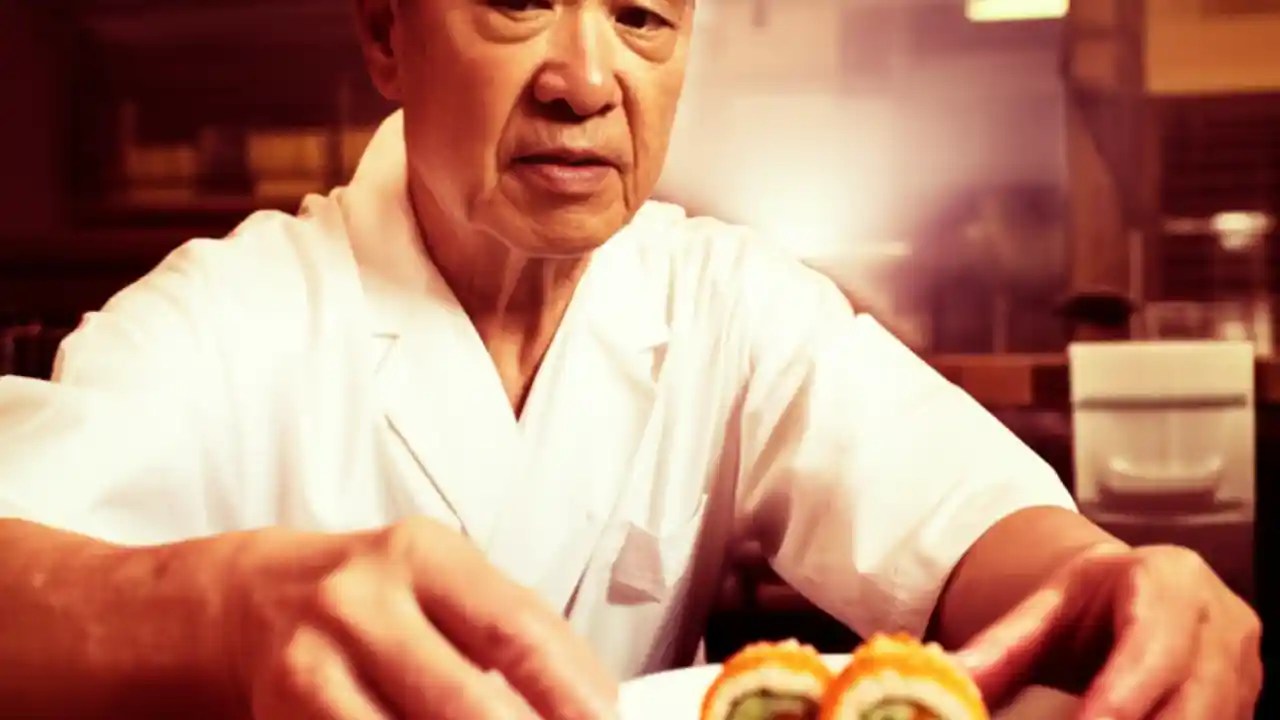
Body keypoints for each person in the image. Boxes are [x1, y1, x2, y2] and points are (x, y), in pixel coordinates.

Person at [0, 1, 1260, 718]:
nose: (585, 79)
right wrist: (229, 609)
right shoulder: (234, 314)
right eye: (517, 0)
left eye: (643, 17)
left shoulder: (722, 300)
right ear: (384, 31)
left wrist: (1123, 588)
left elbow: (976, 528)